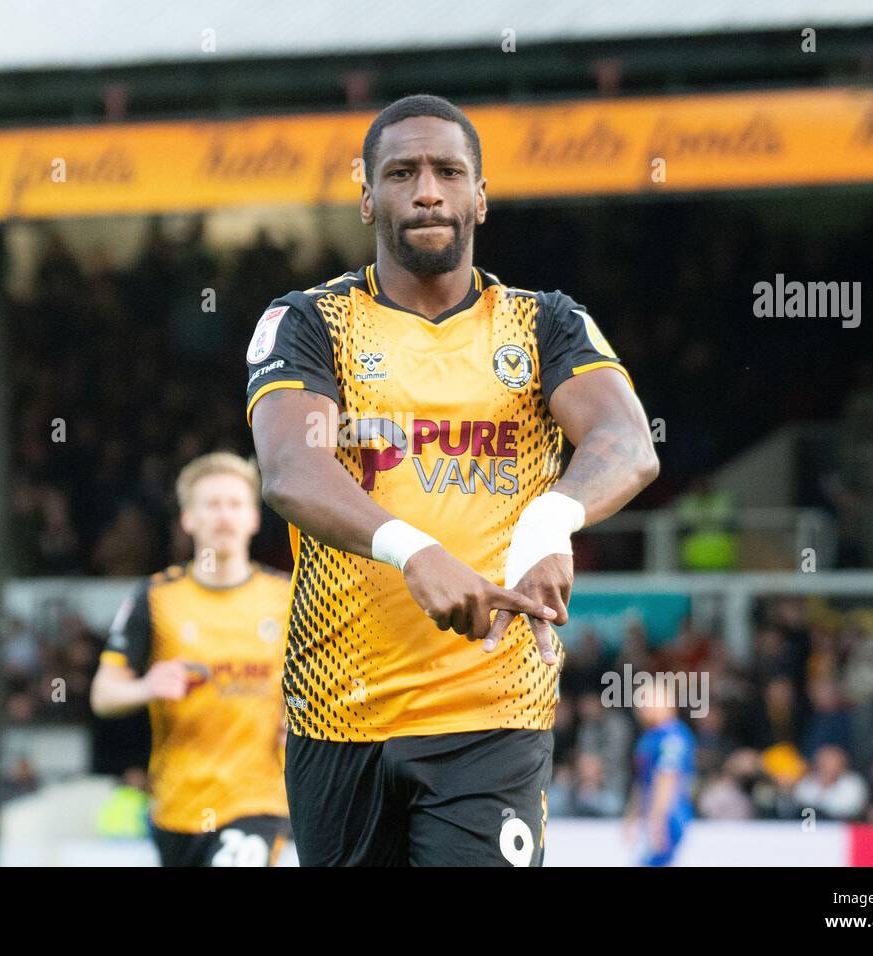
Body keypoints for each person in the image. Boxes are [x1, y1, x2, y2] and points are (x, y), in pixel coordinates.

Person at [245, 94, 658, 866]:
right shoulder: (309, 322)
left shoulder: (545, 323)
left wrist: (548, 523)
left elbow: (627, 442)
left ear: (481, 195)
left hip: (493, 713)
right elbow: (292, 469)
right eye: (401, 172)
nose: (427, 189)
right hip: (341, 717)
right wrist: (414, 552)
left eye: (448, 171)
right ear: (368, 196)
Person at [91, 453, 292, 867]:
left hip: (259, 799)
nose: (224, 516)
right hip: (176, 807)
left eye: (235, 504)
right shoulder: (156, 597)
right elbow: (103, 695)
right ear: (188, 519)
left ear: (254, 518)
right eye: (211, 504)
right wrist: (146, 686)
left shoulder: (285, 597)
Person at [625, 701, 695, 866]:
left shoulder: (672, 737)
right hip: (654, 812)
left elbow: (667, 779)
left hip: (671, 812)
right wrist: (632, 817)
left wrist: (658, 820)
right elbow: (642, 781)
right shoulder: (649, 736)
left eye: (647, 703)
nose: (641, 709)